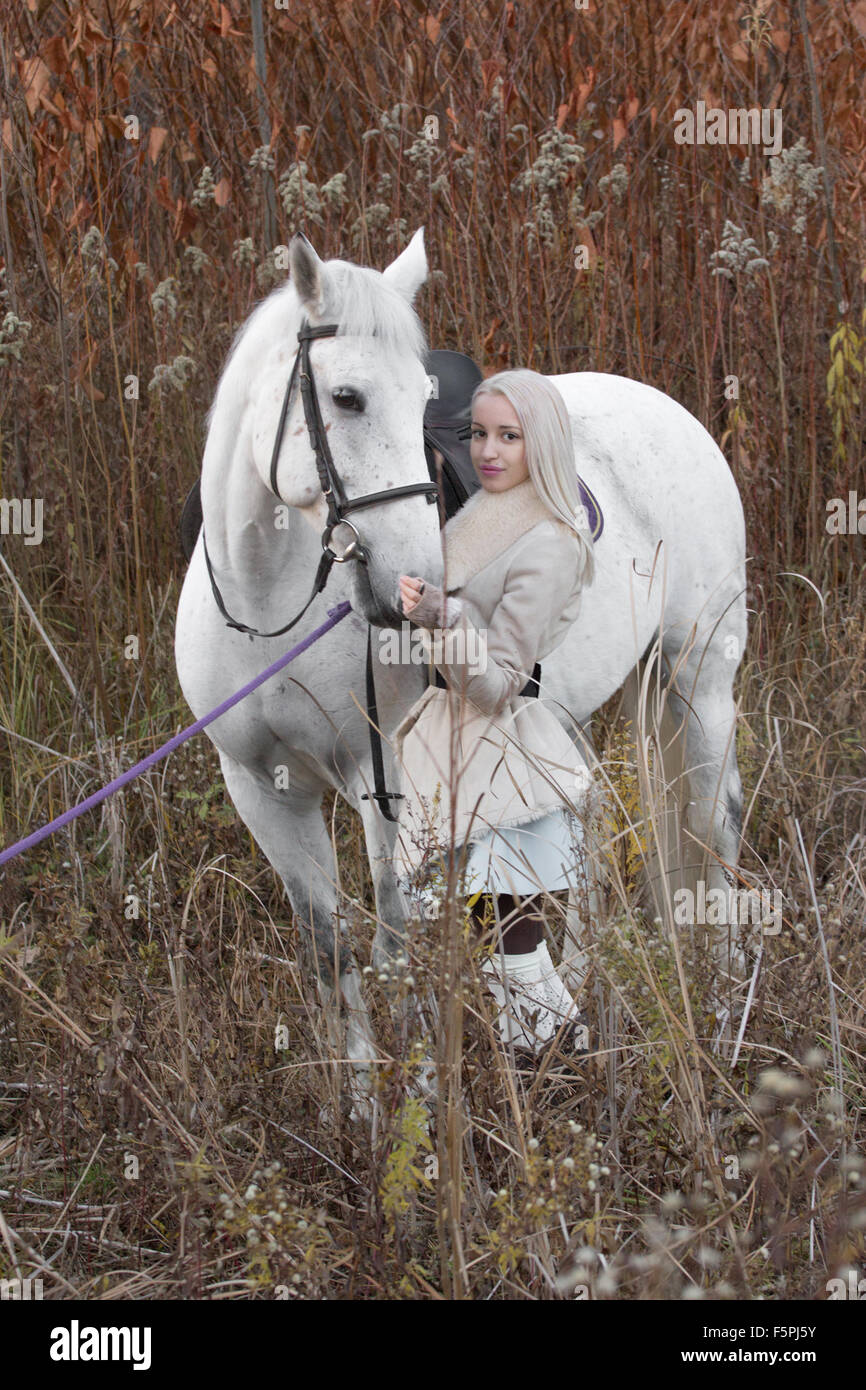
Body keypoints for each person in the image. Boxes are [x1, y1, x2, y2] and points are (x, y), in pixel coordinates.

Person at [394, 368, 596, 1058]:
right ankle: (533, 1095)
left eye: (510, 436)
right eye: (479, 433)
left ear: (541, 442)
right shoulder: (480, 515)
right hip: (454, 746)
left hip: (503, 758)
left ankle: (571, 1078)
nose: (489, 451)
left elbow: (500, 682)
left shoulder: (550, 541)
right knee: (484, 948)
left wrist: (439, 616)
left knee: (514, 950)